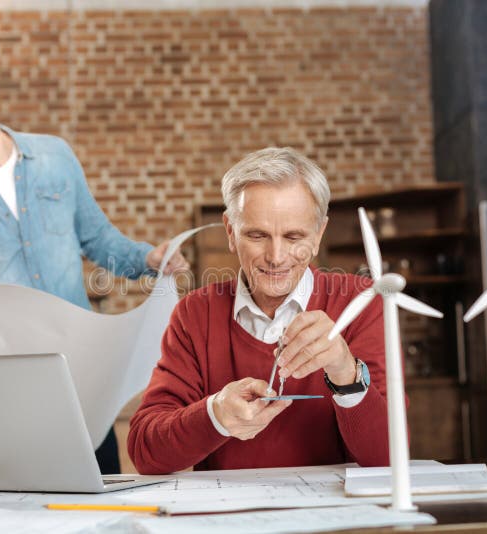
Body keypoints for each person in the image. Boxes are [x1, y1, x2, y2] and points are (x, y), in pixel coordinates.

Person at [0, 42, 187, 473]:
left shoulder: (55, 158)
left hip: (81, 379)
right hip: (3, 391)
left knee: (103, 504)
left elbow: (100, 241)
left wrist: (149, 258)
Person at [128, 147, 392, 475]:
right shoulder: (195, 314)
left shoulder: (361, 303)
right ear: (230, 232)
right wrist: (214, 415)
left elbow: (387, 458)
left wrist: (344, 370)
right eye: (257, 235)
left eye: (294, 236)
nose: (276, 256)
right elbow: (145, 452)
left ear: (318, 235)